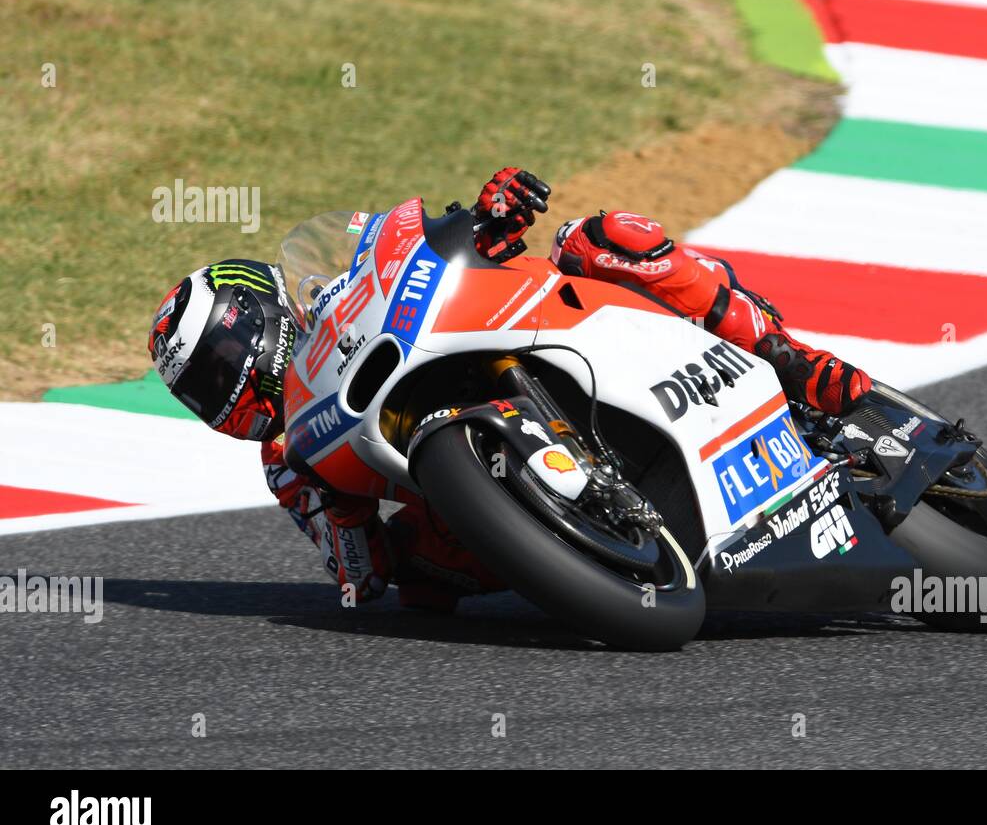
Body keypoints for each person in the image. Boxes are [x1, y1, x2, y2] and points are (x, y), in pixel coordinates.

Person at [148, 168, 872, 610]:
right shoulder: (286, 460)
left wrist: (489, 216)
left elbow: (418, 250)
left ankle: (789, 358)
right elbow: (358, 578)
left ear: (262, 316)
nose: (221, 391)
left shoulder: (335, 292)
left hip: (523, 320)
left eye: (218, 363)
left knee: (600, 235)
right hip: (444, 462)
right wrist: (341, 515)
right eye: (200, 389)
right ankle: (576, 556)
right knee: (422, 583)